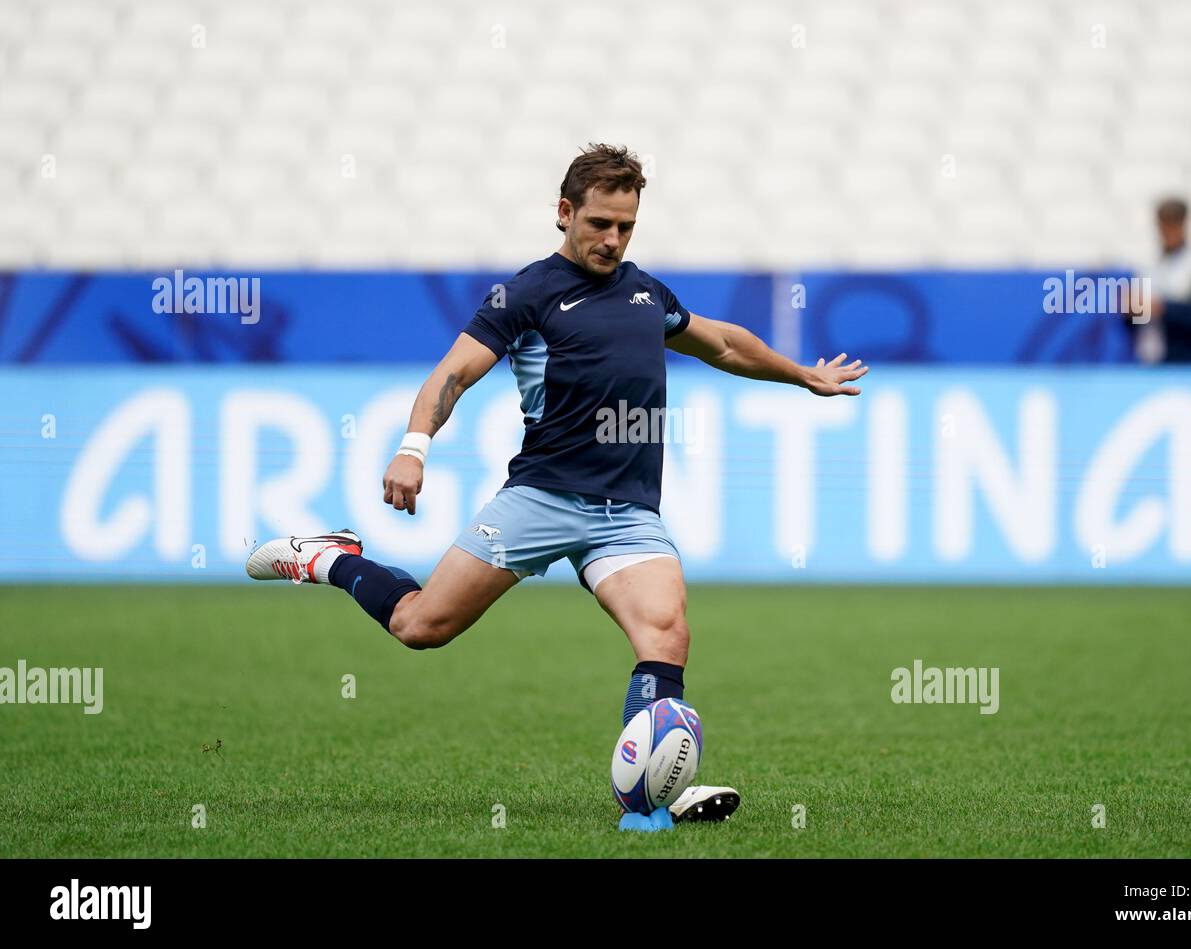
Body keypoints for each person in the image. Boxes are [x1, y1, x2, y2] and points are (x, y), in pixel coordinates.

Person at [245, 143, 868, 830]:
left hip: (627, 513)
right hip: (541, 498)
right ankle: (329, 557)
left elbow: (721, 342)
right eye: (600, 222)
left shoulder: (645, 292)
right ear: (565, 213)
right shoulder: (528, 294)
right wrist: (412, 448)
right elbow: (451, 375)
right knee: (421, 626)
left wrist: (800, 373)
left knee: (666, 631)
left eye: (626, 226)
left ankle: (644, 804)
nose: (613, 239)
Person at [1131, 198, 1191, 364]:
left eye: (1173, 225)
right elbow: (1133, 323)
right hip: (1148, 362)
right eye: (1164, 226)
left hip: (1187, 363)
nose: (1168, 232)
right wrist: (1131, 311)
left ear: (1184, 225)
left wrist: (1163, 309)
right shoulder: (1147, 266)